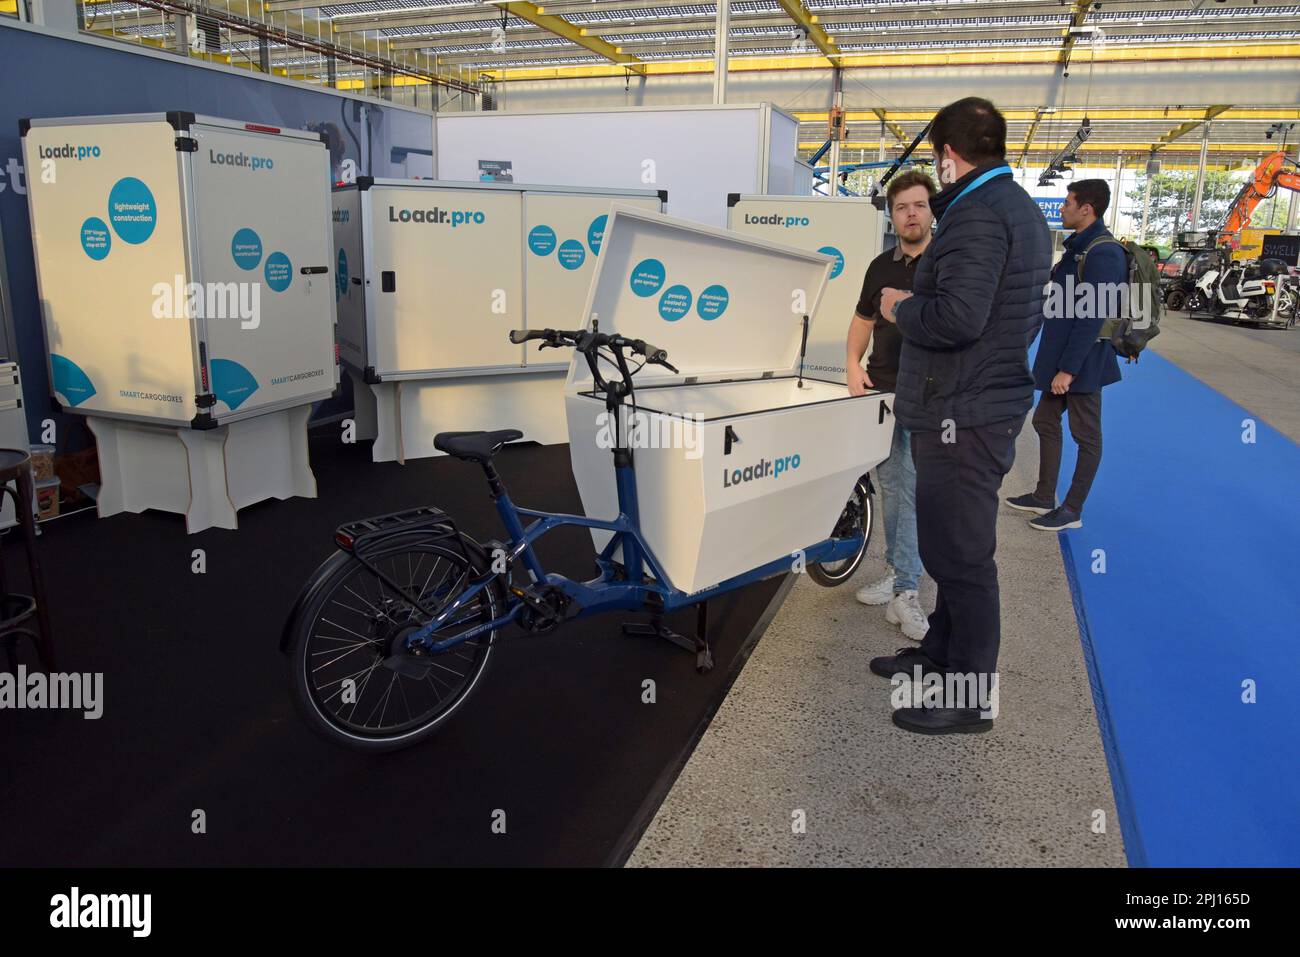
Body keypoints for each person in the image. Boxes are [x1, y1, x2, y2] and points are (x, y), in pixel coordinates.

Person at [869, 97, 1052, 735]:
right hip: (979, 402)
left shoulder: (976, 215)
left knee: (965, 560)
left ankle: (971, 696)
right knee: (951, 549)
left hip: (964, 409)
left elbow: (956, 318)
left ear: (948, 157)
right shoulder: (1015, 209)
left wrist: (899, 307)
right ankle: (941, 656)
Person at [847, 169, 937, 642]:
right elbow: (863, 319)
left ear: (930, 210)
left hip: (926, 394)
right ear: (893, 215)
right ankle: (898, 572)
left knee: (913, 488)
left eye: (918, 205)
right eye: (902, 207)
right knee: (890, 483)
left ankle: (907, 589)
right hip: (881, 391)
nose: (910, 214)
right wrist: (851, 363)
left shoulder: (944, 264)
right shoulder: (880, 266)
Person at [1006, 179, 1124, 531]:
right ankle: (1044, 495)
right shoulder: (1079, 248)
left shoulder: (1104, 252)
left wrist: (1068, 370)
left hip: (1083, 364)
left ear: (1087, 208)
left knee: (1087, 436)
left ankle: (1072, 509)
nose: (1063, 207)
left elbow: (1092, 317)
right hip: (1064, 359)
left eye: (1068, 202)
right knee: (1044, 421)